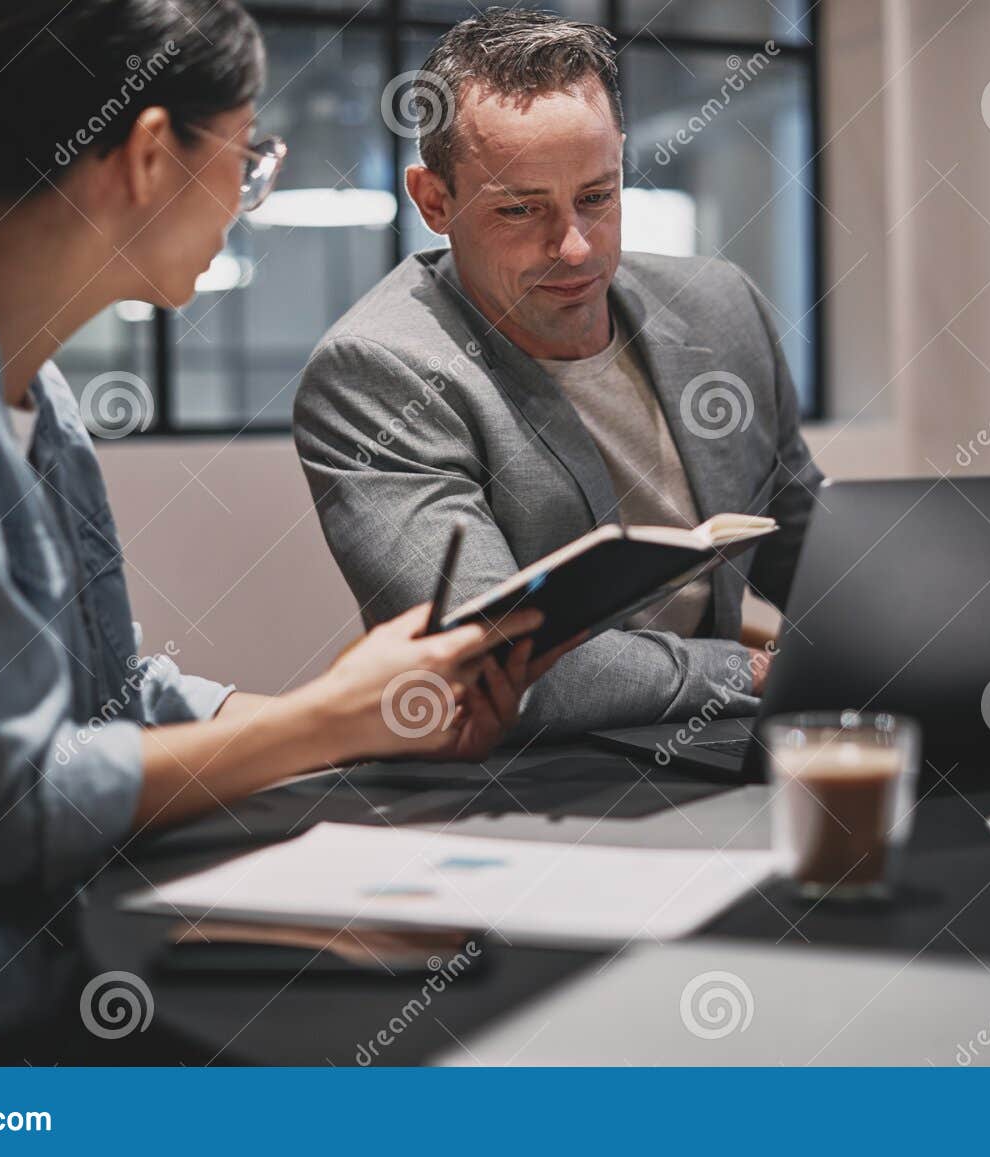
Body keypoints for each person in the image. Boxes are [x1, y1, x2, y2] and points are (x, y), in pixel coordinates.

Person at [0, 0, 571, 1065]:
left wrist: (355, 711)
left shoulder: (32, 387)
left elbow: (106, 687)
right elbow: (21, 807)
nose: (243, 200)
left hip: (52, 956)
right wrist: (328, 722)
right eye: (244, 160)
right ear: (149, 154)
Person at [293, 9, 825, 738]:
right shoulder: (379, 374)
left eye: (598, 198)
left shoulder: (720, 307)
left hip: (722, 746)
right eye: (521, 209)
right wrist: (747, 670)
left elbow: (811, 553)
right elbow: (490, 661)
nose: (575, 248)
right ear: (434, 201)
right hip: (527, 783)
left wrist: (940, 629)